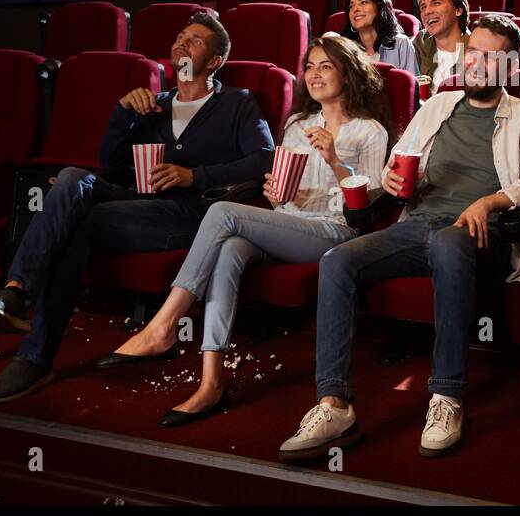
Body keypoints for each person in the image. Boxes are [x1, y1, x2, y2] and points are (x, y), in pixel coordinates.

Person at [279, 14, 520, 462]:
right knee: (337, 260)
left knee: (448, 241)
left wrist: (490, 201)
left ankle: (446, 395)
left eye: (490, 57)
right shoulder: (436, 107)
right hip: (415, 224)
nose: (477, 64)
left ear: (509, 66)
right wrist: (390, 179)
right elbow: (399, 159)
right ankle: (334, 405)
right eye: (473, 54)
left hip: (480, 234)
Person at [0, 12, 273, 404]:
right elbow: (110, 164)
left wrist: (193, 176)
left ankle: (34, 354)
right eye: (180, 36)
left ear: (215, 62)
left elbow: (264, 159)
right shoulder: (154, 105)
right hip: (136, 202)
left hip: (191, 213)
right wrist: (123, 113)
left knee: (80, 223)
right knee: (72, 177)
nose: (182, 43)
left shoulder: (236, 103)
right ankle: (15, 292)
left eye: (195, 40)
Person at [96, 36, 391, 426]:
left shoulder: (370, 131)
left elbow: (364, 208)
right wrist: (275, 194)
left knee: (221, 213)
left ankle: (163, 325)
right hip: (292, 225)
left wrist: (335, 160)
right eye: (310, 66)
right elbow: (285, 199)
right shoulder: (297, 125)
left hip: (336, 234)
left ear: (348, 73)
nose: (314, 75)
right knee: (232, 247)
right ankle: (210, 381)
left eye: (326, 66)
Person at [339, 0, 417, 76]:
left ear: (380, 8)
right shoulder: (344, 49)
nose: (355, 9)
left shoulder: (401, 43)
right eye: (351, 6)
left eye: (363, 2)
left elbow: (413, 85)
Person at [412, 0, 470, 95]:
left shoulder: (480, 51)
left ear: (458, 10)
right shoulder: (418, 42)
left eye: (436, 3)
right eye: (423, 7)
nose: (427, 11)